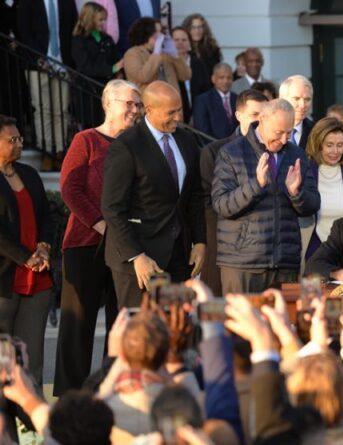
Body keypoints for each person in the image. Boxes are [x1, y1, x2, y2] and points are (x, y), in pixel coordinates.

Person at [54, 79, 140, 396]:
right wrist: (101, 223)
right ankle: (70, 400)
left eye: (138, 104)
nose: (135, 109)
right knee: (78, 327)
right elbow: (70, 189)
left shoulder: (139, 145)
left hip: (126, 248)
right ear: (108, 103)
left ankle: (111, 394)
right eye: (128, 103)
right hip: (85, 245)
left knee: (121, 325)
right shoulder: (86, 140)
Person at [101, 81, 206, 308]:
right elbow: (112, 207)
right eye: (171, 112)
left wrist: (200, 241)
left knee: (175, 328)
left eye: (180, 110)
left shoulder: (187, 140)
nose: (178, 117)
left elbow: (195, 196)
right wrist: (137, 256)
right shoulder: (127, 146)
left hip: (179, 256)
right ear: (148, 109)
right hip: (140, 258)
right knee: (142, 332)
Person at [212, 99, 320, 294]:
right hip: (242, 264)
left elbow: (313, 204)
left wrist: (296, 193)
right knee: (242, 324)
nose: (285, 139)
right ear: (261, 120)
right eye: (279, 133)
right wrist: (256, 185)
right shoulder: (231, 153)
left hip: (285, 262)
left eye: (289, 132)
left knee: (285, 323)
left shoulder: (296, 154)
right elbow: (221, 205)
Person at [199, 89, 269, 296]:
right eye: (254, 115)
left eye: (264, 116)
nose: (260, 122)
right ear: (238, 116)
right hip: (225, 250)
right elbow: (211, 205)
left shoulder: (276, 151)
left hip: (267, 255)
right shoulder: (214, 151)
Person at [0, 115, 53, 387]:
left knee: (32, 356)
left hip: (37, 278)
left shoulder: (29, 174)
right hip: (5, 279)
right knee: (3, 357)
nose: (19, 144)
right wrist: (25, 257)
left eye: (20, 138)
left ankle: (30, 417)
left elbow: (46, 215)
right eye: (12, 140)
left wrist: (43, 246)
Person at [299, 117, 343, 267]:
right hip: (311, 247)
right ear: (318, 144)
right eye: (329, 145)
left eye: (340, 145)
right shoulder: (304, 168)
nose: (335, 151)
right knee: (313, 290)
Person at [15, 0, 78, 156]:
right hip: (37, 64)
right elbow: (23, 31)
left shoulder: (67, 2)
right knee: (43, 109)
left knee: (61, 110)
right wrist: (38, 58)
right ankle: (47, 151)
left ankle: (59, 150)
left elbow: (73, 30)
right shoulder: (27, 2)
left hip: (62, 64)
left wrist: (71, 63)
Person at [71, 1, 123, 129]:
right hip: (88, 91)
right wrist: (112, 68)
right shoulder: (79, 40)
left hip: (107, 90)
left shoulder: (107, 39)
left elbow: (116, 58)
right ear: (90, 19)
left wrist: (119, 72)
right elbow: (85, 66)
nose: (104, 23)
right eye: (100, 20)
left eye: (104, 19)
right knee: (91, 127)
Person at [123, 17, 191, 93]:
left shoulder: (165, 53)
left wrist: (175, 55)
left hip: (171, 100)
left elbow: (186, 76)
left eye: (160, 31)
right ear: (145, 33)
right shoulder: (132, 53)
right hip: (149, 102)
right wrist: (156, 54)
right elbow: (143, 77)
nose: (160, 35)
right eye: (155, 32)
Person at [171, 26, 211, 123]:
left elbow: (206, 89)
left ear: (189, 43)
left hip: (197, 115)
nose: (180, 43)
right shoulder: (167, 63)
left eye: (184, 40)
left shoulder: (198, 63)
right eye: (176, 40)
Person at [193, 63, 238, 139]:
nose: (225, 81)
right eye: (221, 78)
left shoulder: (237, 98)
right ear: (213, 79)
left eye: (229, 78)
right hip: (214, 147)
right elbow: (201, 131)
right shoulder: (202, 100)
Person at [278, 75, 315, 149]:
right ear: (282, 99)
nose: (302, 105)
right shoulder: (268, 129)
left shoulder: (316, 131)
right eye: (296, 98)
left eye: (307, 99)